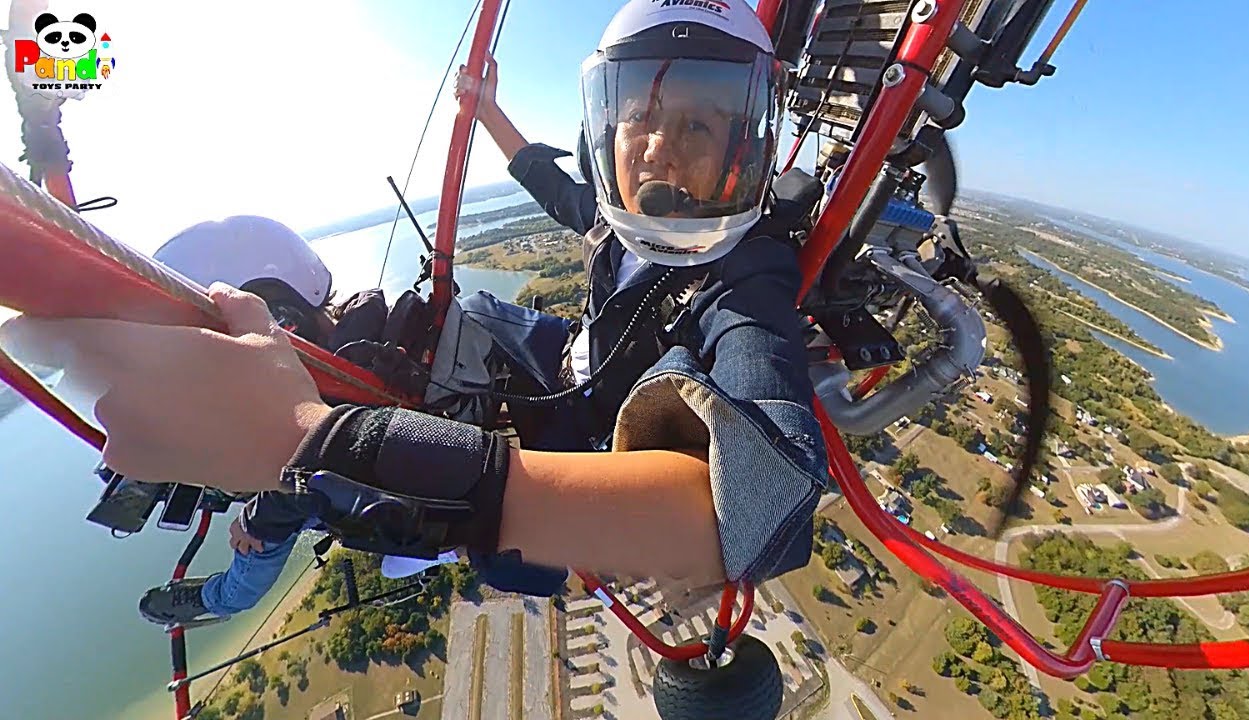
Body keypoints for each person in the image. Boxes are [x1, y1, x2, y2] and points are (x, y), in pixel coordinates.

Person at [1, 0, 827, 592]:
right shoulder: (615, 223)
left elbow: (761, 510)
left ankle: (348, 498)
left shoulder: (745, 277)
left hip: (587, 427)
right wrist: (491, 110)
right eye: (641, 123)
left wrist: (327, 442)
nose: (656, 151)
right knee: (418, 329)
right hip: (556, 352)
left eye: (695, 126)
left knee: (505, 555)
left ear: (743, 145)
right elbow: (550, 181)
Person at [136, 216, 457, 625]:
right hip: (384, 467)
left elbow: (304, 473)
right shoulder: (353, 341)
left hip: (373, 489)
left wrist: (254, 521)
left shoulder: (337, 391)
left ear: (280, 321)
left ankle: (219, 600)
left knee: (257, 548)